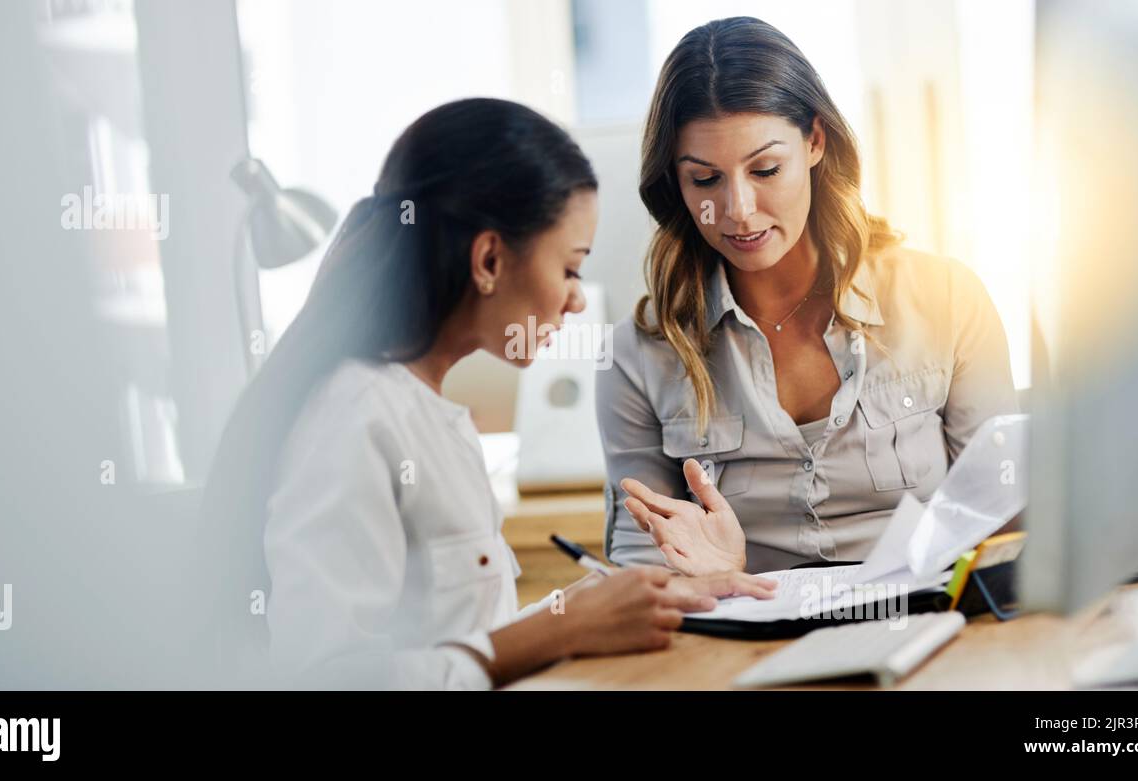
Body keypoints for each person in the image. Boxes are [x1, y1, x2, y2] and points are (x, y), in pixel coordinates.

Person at [201, 98, 775, 690]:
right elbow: (327, 679)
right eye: (571, 269)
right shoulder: (356, 417)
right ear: (490, 259)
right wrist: (560, 629)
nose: (577, 300)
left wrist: (609, 601)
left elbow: (464, 638)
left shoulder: (429, 413)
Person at [598, 17, 1018, 575]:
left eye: (766, 169)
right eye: (705, 180)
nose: (738, 210)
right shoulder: (638, 353)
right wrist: (713, 578)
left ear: (815, 141)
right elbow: (639, 562)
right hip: (743, 639)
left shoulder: (945, 297)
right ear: (673, 181)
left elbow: (1003, 516)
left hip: (927, 623)